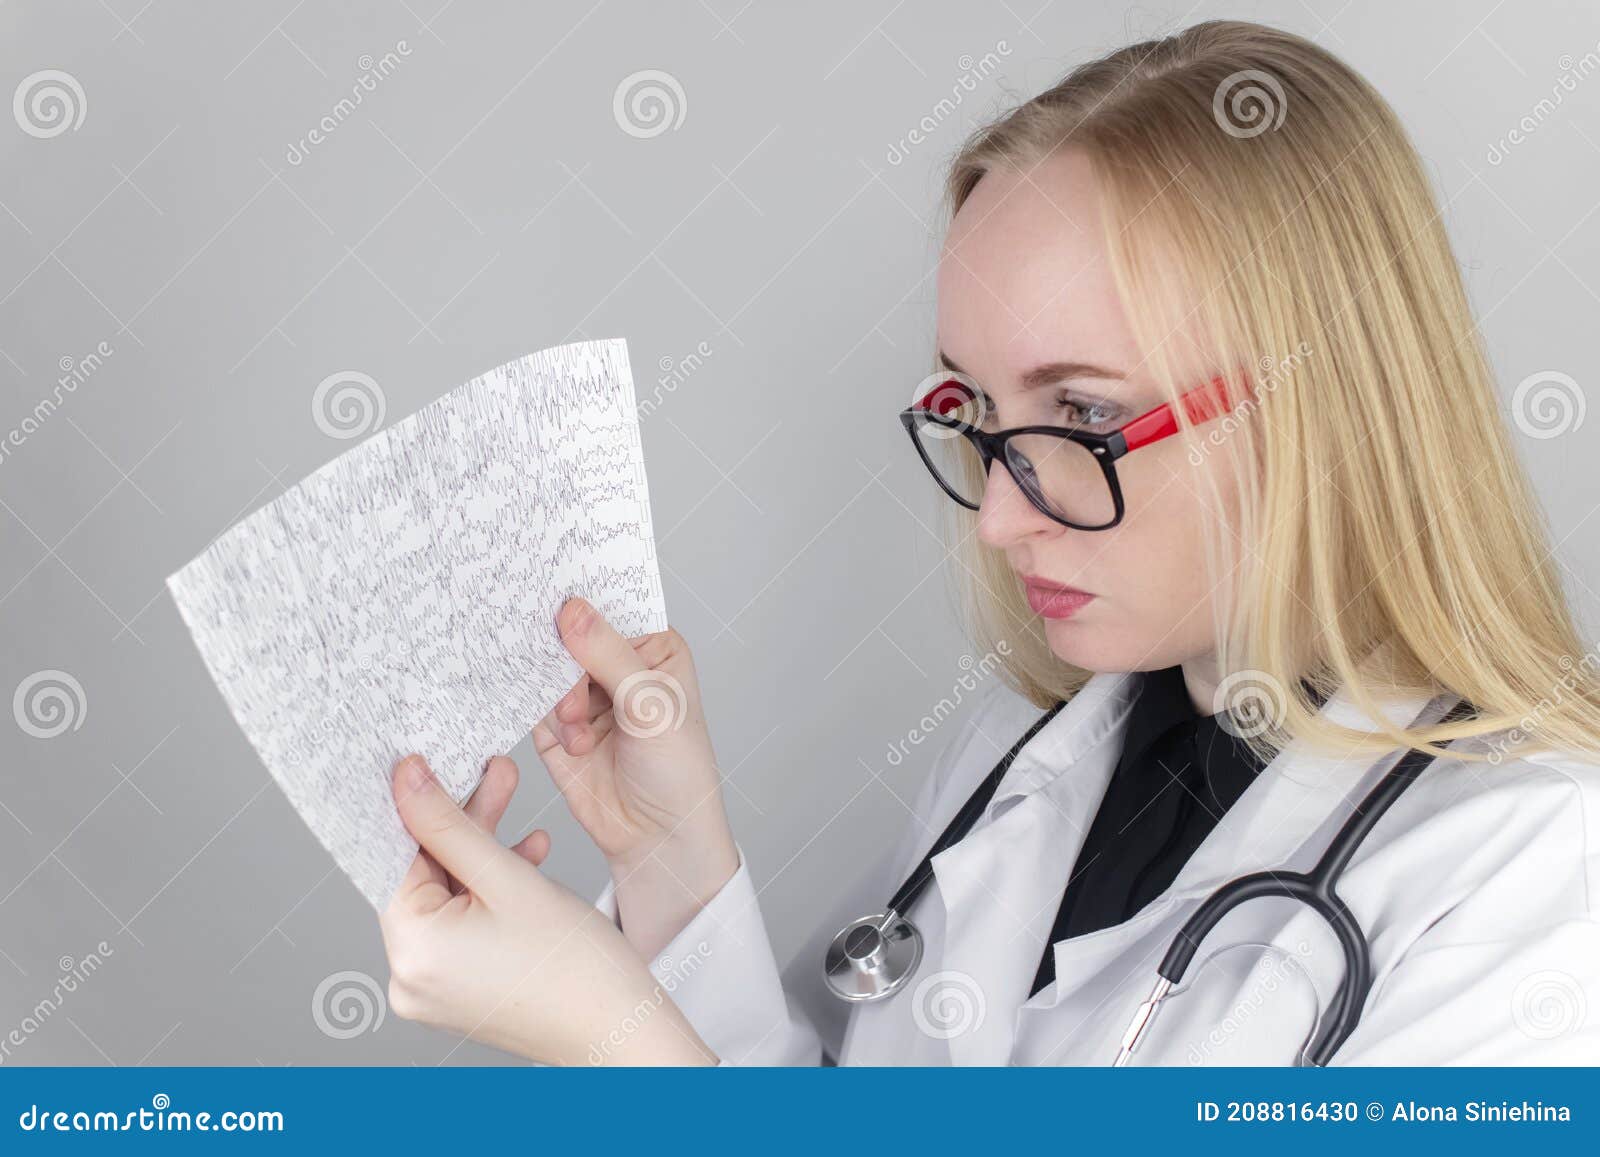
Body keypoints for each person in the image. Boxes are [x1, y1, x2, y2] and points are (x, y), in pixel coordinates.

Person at [375, 19, 1600, 1065]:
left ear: (1322, 400)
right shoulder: (1012, 766)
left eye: (1084, 414)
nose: (1001, 513)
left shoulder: (1542, 871)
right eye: (975, 412)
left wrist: (623, 1045)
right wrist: (672, 868)